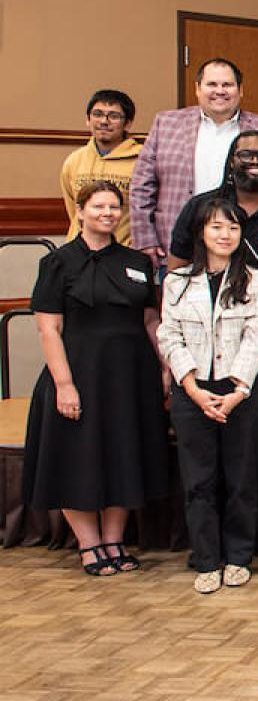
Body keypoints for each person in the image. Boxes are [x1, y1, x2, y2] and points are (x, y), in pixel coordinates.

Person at [24, 182, 167, 577]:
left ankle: (115, 540)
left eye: (113, 206)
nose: (107, 213)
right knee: (77, 458)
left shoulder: (137, 262)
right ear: (81, 211)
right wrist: (65, 384)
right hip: (79, 372)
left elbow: (150, 319)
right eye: (98, 206)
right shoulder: (59, 263)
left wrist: (165, 365)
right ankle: (90, 545)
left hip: (130, 375)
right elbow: (48, 330)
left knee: (125, 455)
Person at [157, 197, 258, 593]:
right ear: (200, 233)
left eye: (233, 228)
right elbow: (168, 336)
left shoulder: (256, 280)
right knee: (198, 481)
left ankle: (239, 557)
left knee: (242, 479)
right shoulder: (177, 282)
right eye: (216, 227)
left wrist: (238, 390)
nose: (225, 235)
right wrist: (190, 387)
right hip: (193, 392)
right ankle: (207, 559)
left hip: (240, 392)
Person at [130, 58, 258, 271]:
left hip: (250, 249)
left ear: (241, 90)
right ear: (197, 89)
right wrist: (145, 239)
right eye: (212, 84)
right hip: (180, 246)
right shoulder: (166, 123)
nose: (219, 91)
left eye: (227, 85)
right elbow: (141, 186)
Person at [167, 131, 258, 278]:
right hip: (206, 298)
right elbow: (177, 268)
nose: (254, 161)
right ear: (232, 162)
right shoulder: (199, 207)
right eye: (245, 155)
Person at [61, 89, 141, 247]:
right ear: (88, 119)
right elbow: (74, 209)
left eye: (114, 116)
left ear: (128, 124)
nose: (104, 121)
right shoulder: (74, 160)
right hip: (79, 254)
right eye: (97, 114)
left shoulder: (142, 161)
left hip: (124, 253)